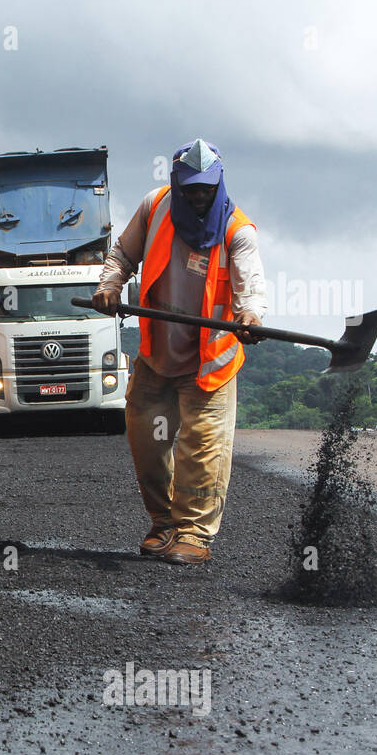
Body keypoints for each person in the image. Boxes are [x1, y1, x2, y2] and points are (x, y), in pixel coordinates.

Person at [91, 139, 267, 565]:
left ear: (218, 182)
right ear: (176, 182)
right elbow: (122, 254)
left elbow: (251, 287)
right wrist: (109, 286)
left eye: (206, 188)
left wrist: (251, 317)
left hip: (209, 362)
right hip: (157, 355)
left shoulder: (236, 230)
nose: (198, 195)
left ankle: (194, 534)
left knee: (202, 448)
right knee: (146, 440)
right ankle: (164, 523)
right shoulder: (155, 207)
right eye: (190, 188)